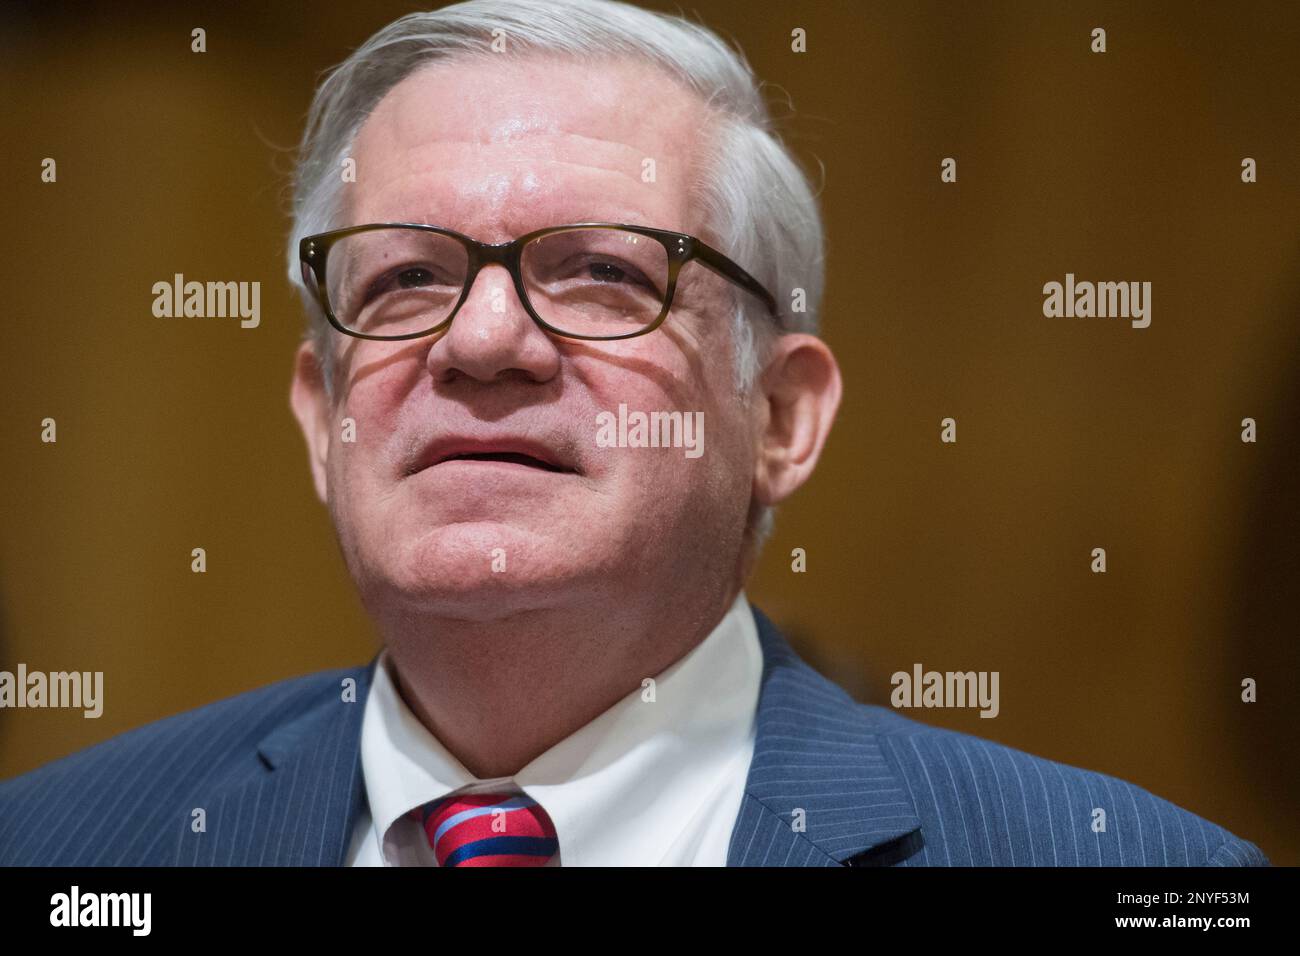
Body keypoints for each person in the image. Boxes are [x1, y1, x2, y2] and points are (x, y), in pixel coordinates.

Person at [0, 0, 1268, 867]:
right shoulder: (64, 849)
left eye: (603, 272)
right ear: (322, 416)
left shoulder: (1137, 869)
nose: (481, 340)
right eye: (402, 280)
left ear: (779, 417)